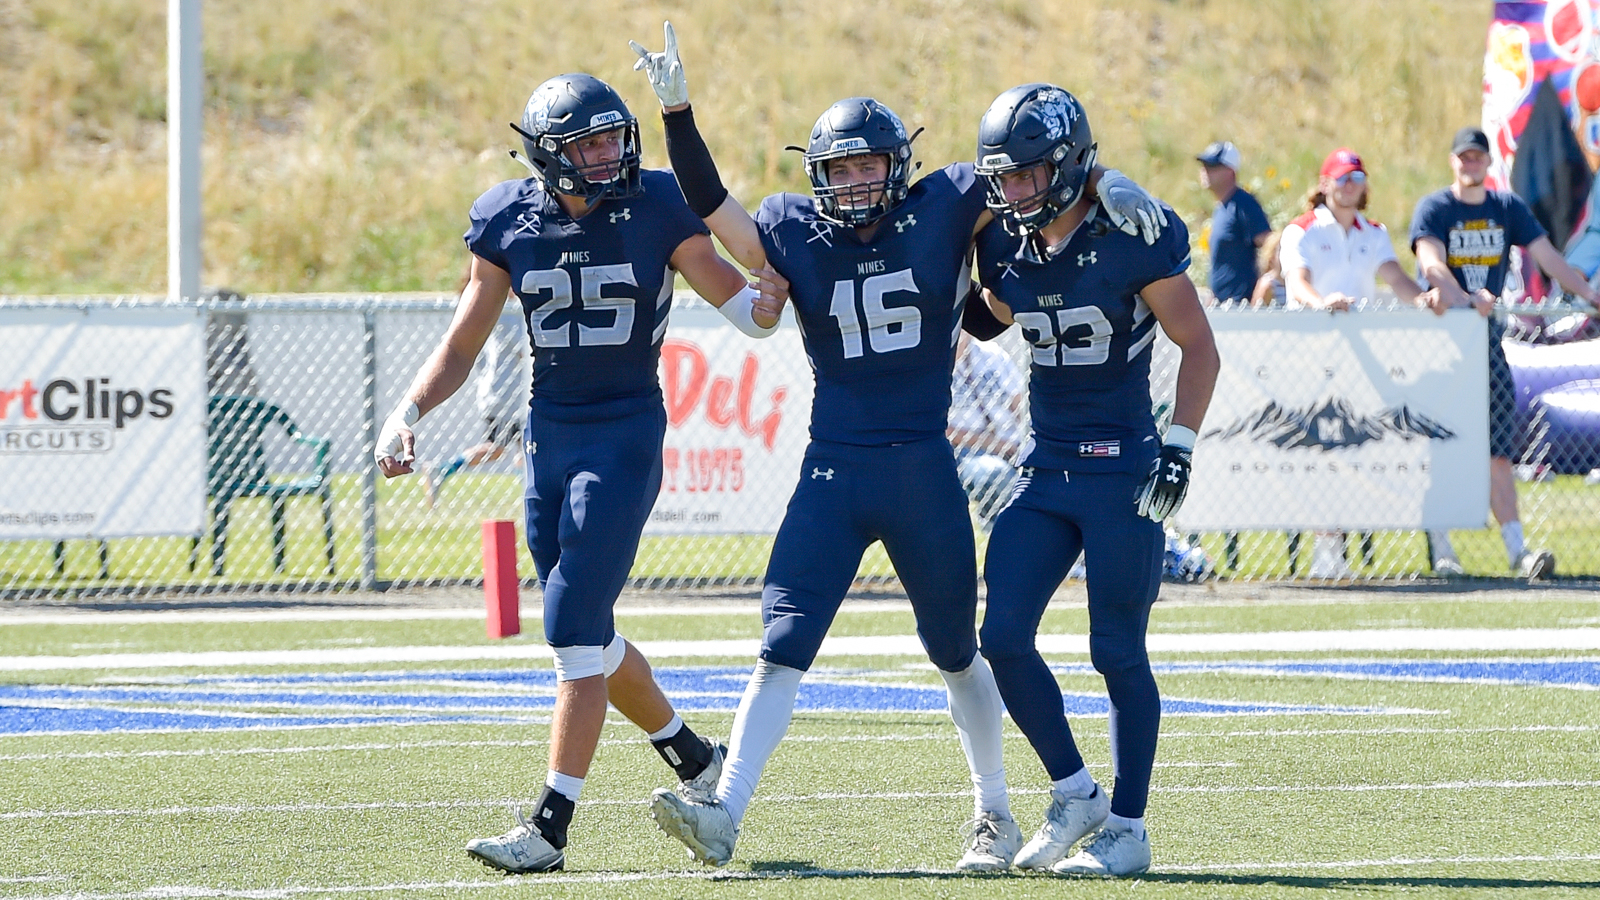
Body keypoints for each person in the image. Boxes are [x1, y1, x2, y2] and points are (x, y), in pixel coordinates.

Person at [627, 22, 1168, 873]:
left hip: (921, 467)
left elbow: (1033, 174)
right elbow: (715, 207)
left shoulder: (947, 204)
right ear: (816, 176)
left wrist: (1107, 176)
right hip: (834, 467)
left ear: (898, 166)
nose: (852, 182)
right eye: (836, 169)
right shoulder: (793, 229)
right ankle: (726, 808)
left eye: (867, 165)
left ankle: (993, 814)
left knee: (959, 649)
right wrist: (678, 112)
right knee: (783, 640)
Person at [373, 72, 788, 874]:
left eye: (612, 138)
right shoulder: (507, 218)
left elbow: (745, 313)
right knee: (589, 634)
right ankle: (697, 759)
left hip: (624, 432)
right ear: (548, 156)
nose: (607, 155)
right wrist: (409, 412)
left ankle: (550, 828)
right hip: (549, 434)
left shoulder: (659, 205)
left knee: (567, 629)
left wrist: (768, 299)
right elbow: (463, 343)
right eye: (588, 144)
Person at [970, 84, 1219, 878]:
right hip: (1046, 471)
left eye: (1027, 175)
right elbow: (963, 236)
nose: (1012, 192)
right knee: (1001, 634)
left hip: (1122, 474)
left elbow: (1200, 349)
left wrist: (1178, 446)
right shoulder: (1010, 244)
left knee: (1116, 650)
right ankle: (1077, 792)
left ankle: (1131, 827)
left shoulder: (1132, 238)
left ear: (1069, 163)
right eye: (1004, 178)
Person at [1411, 126, 1600, 581]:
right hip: (1443, 341)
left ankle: (1517, 550)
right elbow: (1430, 262)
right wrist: (1464, 297)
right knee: (1441, 447)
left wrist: (1589, 295)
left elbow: (1549, 258)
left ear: (1488, 161)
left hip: (1487, 340)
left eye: (1478, 157)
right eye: (1463, 157)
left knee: (1498, 448)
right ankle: (1442, 549)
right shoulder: (1436, 208)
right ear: (1453, 161)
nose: (1470, 164)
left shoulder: (1506, 208)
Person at [1280, 148, 1427, 578]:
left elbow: (1396, 278)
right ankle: (1325, 549)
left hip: (1358, 358)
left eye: (1356, 178)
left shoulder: (1374, 232)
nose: (1349, 186)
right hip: (1310, 354)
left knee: (1349, 449)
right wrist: (1323, 304)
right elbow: (1298, 283)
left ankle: (1336, 549)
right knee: (1318, 452)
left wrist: (1425, 301)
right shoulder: (1301, 230)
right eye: (1342, 178)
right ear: (1324, 183)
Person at [422, 303, 530, 508]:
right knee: (496, 448)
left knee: (524, 448)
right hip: (507, 396)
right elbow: (524, 348)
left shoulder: (490, 311)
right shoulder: (507, 312)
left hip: (505, 393)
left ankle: (528, 495)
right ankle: (443, 469)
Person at [948, 331, 1027, 529]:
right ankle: (998, 530)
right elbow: (944, 429)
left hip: (1012, 443)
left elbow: (1020, 404)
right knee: (995, 473)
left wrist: (1027, 439)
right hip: (964, 452)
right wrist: (995, 445)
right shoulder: (934, 360)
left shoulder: (991, 354)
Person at [1197, 141, 1272, 305]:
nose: (1205, 171)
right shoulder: (1222, 207)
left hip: (1241, 306)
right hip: (1224, 305)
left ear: (1230, 172)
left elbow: (1269, 247)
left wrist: (1261, 294)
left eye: (1212, 166)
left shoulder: (1243, 204)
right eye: (1204, 166)